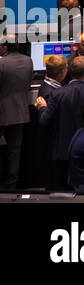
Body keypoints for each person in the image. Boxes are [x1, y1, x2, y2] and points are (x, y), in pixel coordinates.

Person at [0, 36, 34, 190]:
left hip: (2, 113)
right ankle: (11, 186)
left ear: (5, 47)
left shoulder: (1, 63)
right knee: (14, 152)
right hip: (20, 112)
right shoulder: (28, 60)